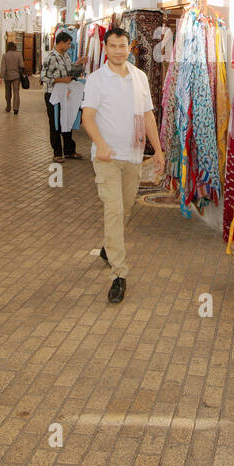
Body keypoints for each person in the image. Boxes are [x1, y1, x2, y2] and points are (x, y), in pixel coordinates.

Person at [81, 28, 164, 304]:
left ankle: (108, 245)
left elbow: (148, 115)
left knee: (126, 208)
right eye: (113, 46)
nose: (118, 50)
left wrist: (159, 150)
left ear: (130, 47)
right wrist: (100, 144)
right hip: (106, 159)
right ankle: (119, 273)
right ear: (105, 48)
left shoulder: (139, 78)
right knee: (114, 210)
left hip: (133, 156)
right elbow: (88, 118)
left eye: (123, 45)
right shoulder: (96, 80)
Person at [41, 32, 78, 159]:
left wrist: (77, 64)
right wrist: (61, 80)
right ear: (61, 42)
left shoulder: (66, 56)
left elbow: (68, 70)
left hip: (66, 94)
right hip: (53, 95)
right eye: (68, 44)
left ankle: (69, 151)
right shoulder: (50, 57)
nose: (69, 46)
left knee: (67, 121)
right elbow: (43, 77)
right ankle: (57, 153)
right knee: (55, 123)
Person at [1, 41, 25, 114]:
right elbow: (22, 65)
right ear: (15, 47)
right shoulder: (19, 55)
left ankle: (8, 106)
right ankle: (16, 108)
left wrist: (1, 76)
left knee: (7, 92)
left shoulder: (5, 55)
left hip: (7, 76)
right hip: (16, 76)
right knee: (16, 92)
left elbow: (3, 67)